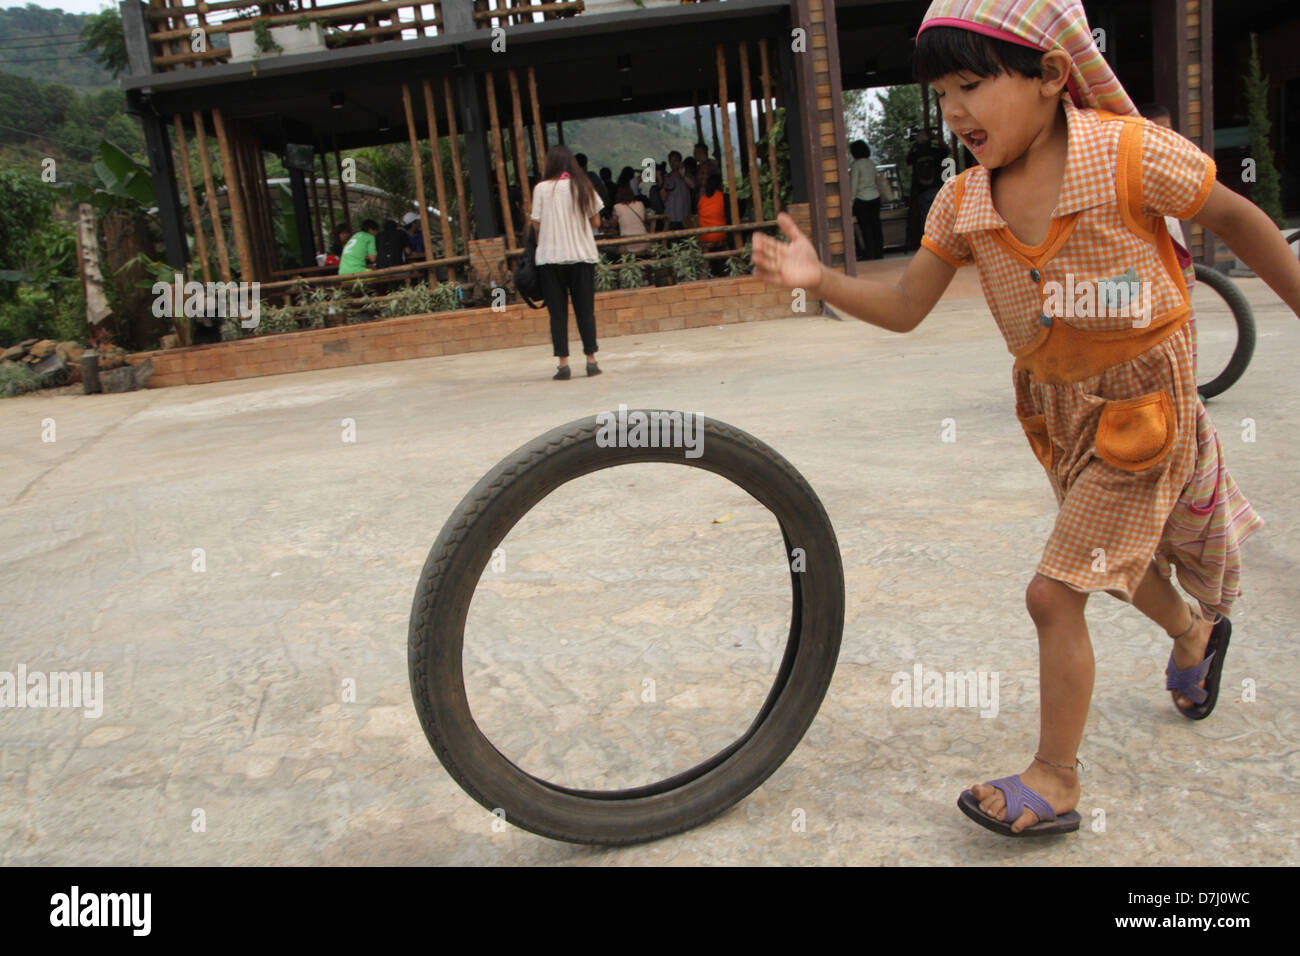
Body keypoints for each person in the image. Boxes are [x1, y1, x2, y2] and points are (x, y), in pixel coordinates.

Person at [753, 0, 1299, 839]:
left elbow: (1236, 216)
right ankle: (1196, 636)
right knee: (1118, 562)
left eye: (972, 83)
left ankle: (1056, 778)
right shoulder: (962, 204)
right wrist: (818, 280)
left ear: (1051, 76)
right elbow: (904, 307)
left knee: (1055, 593)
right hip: (1055, 410)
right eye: (941, 93)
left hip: (1145, 404)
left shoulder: (1128, 154)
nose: (956, 111)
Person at [530, 144, 603, 379]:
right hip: (581, 255)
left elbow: (536, 225)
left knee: (558, 313)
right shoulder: (582, 186)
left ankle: (563, 364)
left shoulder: (540, 189)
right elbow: (596, 222)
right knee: (585, 311)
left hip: (550, 258)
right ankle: (591, 360)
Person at [905, 128, 950, 249]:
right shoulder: (936, 152)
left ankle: (929, 242)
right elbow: (947, 151)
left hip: (921, 191)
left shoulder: (916, 154)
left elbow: (907, 159)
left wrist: (913, 145)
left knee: (926, 217)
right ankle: (943, 241)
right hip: (937, 188)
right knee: (941, 216)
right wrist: (938, 139)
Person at [849, 140, 887, 260]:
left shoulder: (856, 165)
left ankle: (869, 252)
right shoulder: (871, 163)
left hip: (862, 199)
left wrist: (851, 201)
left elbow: (853, 184)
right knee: (876, 225)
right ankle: (879, 251)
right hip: (874, 197)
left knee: (866, 228)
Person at [660, 149, 693, 234]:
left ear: (680, 162)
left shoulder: (686, 177)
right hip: (672, 218)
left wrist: (683, 175)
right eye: (671, 161)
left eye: (675, 160)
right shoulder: (666, 178)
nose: (673, 163)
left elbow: (693, 186)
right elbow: (663, 197)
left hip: (685, 218)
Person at [612, 184, 650, 255]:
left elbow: (613, 225)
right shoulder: (640, 204)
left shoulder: (617, 207)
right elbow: (646, 219)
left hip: (627, 244)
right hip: (644, 242)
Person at [573, 152, 609, 217]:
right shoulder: (593, 177)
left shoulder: (571, 180)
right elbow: (604, 195)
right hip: (594, 214)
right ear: (586, 165)